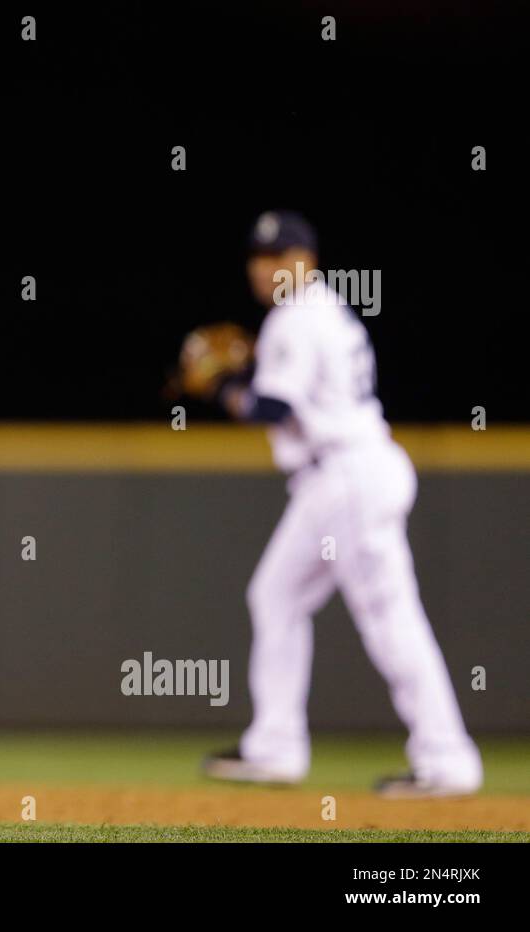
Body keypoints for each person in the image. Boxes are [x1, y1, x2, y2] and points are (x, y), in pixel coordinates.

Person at [202, 210, 483, 798]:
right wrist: (247, 371)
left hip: (349, 477)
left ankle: (447, 758)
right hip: (336, 480)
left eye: (278, 257)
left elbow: (270, 410)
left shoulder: (298, 318)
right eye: (258, 258)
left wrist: (224, 384)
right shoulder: (320, 311)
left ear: (305, 260)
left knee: (389, 620)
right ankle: (275, 747)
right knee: (275, 595)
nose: (265, 268)